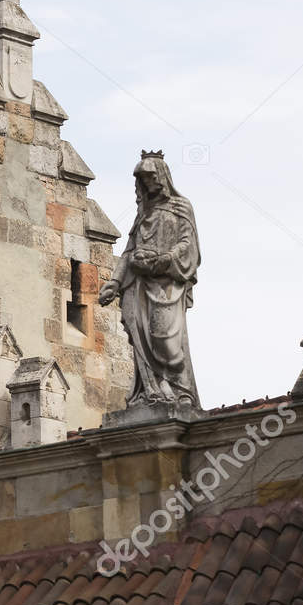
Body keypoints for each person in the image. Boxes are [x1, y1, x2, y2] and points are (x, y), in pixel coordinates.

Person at [98, 152, 201, 411]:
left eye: (151, 176)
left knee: (166, 338)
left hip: (168, 284)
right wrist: (113, 281)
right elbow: (129, 251)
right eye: (142, 178)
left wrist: (165, 258)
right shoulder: (143, 214)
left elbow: (189, 245)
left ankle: (180, 390)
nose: (147, 182)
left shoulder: (181, 206)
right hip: (140, 285)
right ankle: (153, 389)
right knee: (144, 338)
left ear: (163, 176)